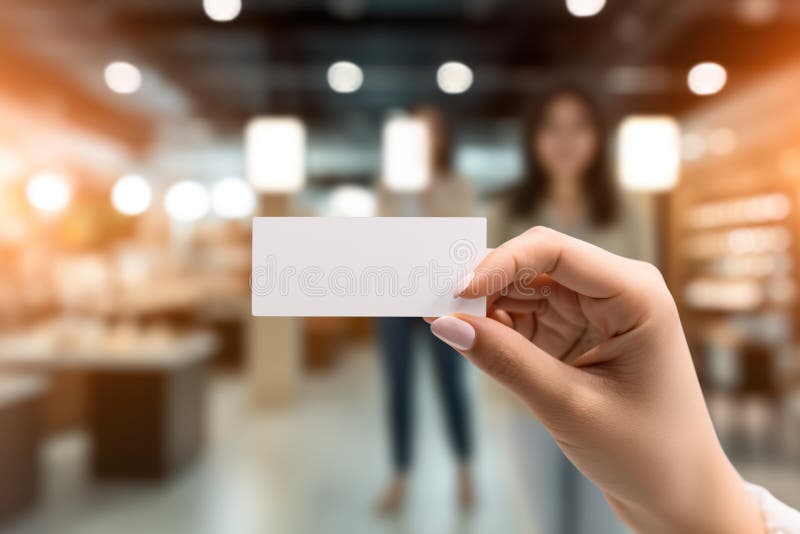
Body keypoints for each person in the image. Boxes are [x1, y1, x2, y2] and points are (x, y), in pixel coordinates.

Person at [428, 226, 800, 533]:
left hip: (585, 354)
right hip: (535, 387)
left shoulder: (621, 215)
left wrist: (695, 496)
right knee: (543, 510)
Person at [489, 84, 652, 533]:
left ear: (598, 137)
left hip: (608, 392)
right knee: (542, 519)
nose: (564, 139)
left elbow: (649, 302)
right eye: (551, 127)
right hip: (528, 393)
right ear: (533, 139)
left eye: (578, 126)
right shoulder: (506, 211)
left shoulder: (627, 211)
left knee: (602, 520)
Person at [375, 106, 476, 514]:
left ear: (443, 138)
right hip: (395, 296)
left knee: (450, 384)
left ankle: (464, 469)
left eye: (432, 130)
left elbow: (460, 235)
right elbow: (380, 235)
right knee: (398, 387)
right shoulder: (388, 183)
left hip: (442, 295)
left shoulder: (457, 183)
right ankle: (400, 475)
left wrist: (426, 194)